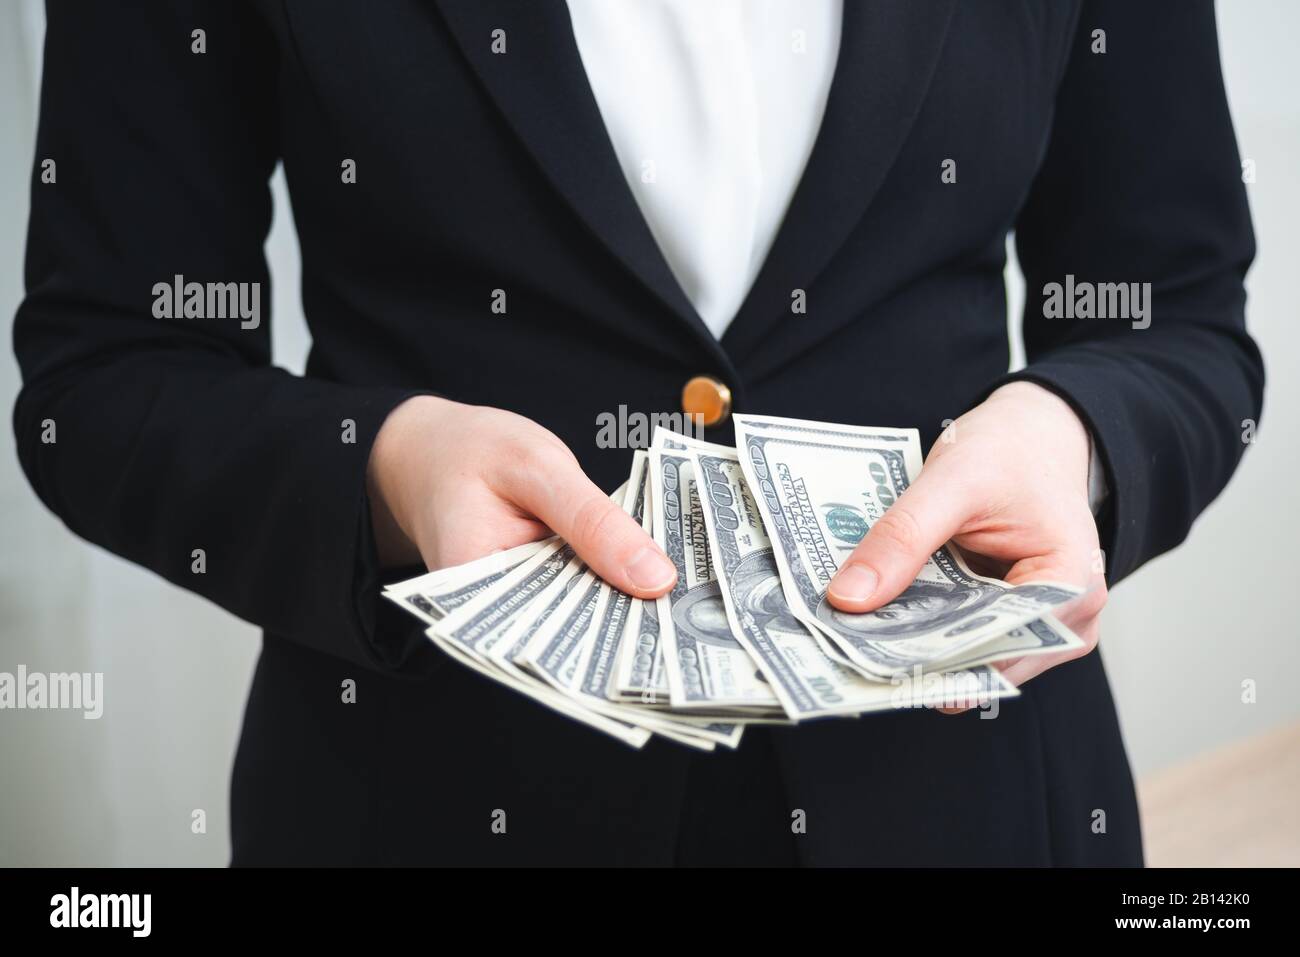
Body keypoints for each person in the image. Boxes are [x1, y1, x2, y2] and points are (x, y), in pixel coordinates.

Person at [13, 1, 1261, 866]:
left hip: (968, 807)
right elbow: (109, 375)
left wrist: (1077, 434)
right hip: (431, 805)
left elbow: (1177, 317)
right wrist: (381, 476)